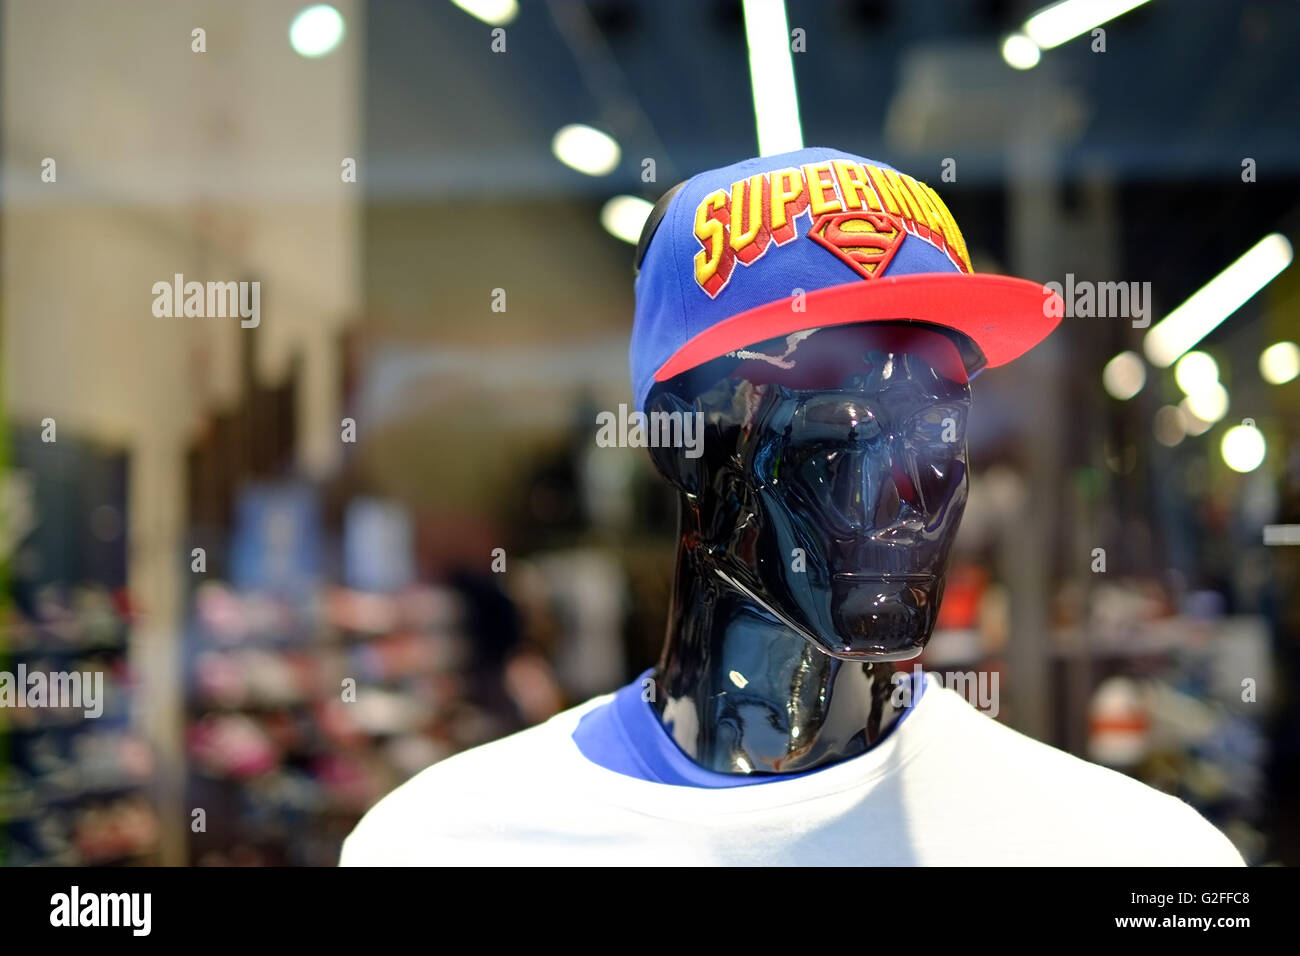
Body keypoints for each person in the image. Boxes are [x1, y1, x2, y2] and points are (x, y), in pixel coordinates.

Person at [340, 148, 1244, 866]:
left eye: (936, 422)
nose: (909, 487)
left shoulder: (1136, 858)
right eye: (838, 423)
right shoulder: (441, 847)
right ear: (681, 444)